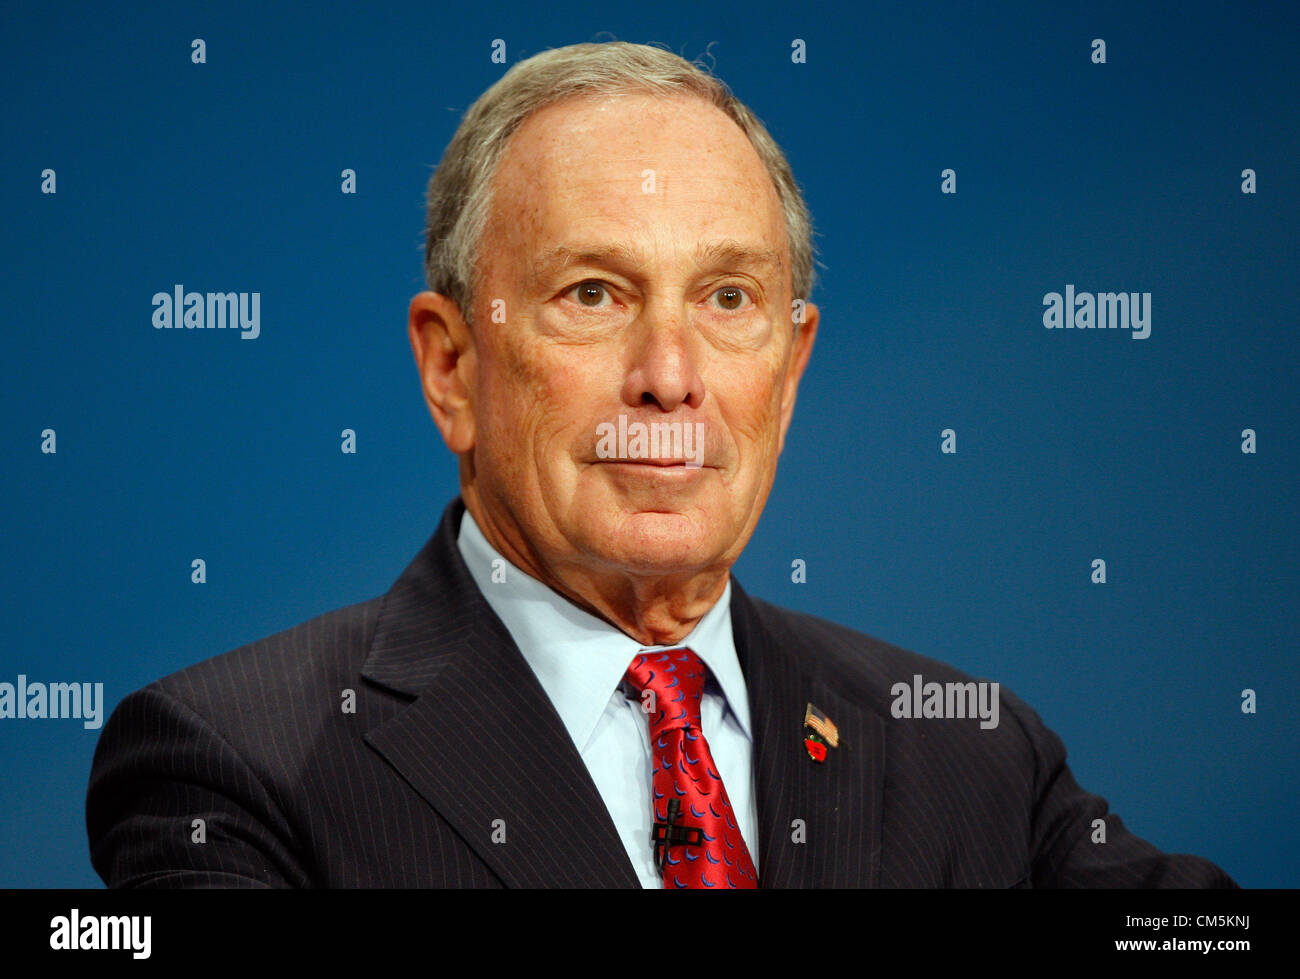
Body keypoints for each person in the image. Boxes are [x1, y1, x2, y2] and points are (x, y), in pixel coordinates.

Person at [86, 41, 1235, 888]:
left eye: (727, 299)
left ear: (787, 372)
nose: (670, 376)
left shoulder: (970, 749)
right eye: (594, 294)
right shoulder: (231, 763)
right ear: (451, 367)